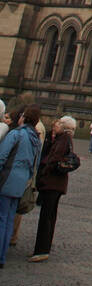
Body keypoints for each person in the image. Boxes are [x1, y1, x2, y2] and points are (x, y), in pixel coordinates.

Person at [30, 114, 77, 261]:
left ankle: (41, 250)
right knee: (49, 216)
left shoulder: (63, 139)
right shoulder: (62, 138)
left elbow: (53, 159)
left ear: (64, 126)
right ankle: (43, 249)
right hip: (57, 183)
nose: (56, 124)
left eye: (59, 123)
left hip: (53, 183)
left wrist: (43, 173)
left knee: (46, 217)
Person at [0, 105, 42, 267]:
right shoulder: (35, 139)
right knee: (9, 219)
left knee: (2, 219)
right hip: (21, 183)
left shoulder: (16, 134)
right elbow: (35, 164)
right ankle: (2, 257)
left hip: (7, 180)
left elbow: (2, 157)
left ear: (24, 118)